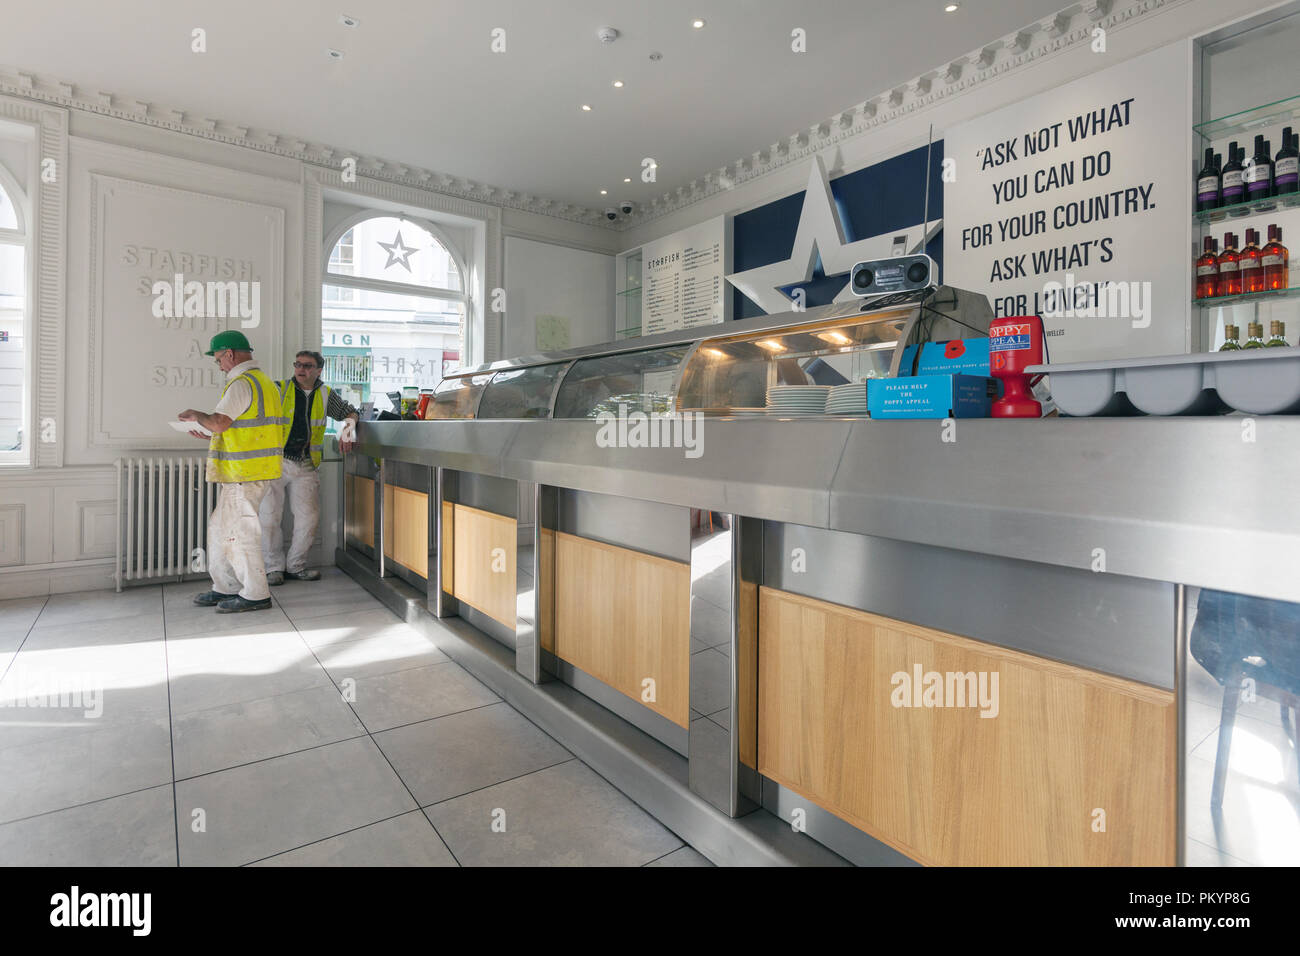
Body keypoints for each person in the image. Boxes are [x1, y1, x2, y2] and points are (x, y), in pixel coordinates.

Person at [178, 330, 284, 613]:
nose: (219, 365)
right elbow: (238, 428)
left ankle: (255, 593)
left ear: (230, 354)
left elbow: (221, 422)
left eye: (218, 360)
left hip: (245, 474)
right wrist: (209, 431)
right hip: (247, 472)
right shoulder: (265, 383)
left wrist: (198, 416)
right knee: (219, 528)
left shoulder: (241, 383)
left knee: (241, 532)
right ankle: (224, 586)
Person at [258, 350, 360, 585]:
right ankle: (273, 568)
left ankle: (296, 566)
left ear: (318, 370)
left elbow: (350, 412)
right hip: (276, 461)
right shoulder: (279, 389)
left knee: (308, 518)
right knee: (269, 517)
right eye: (298, 364)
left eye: (307, 365)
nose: (301, 369)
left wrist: (347, 431)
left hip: (305, 464)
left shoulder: (325, 394)